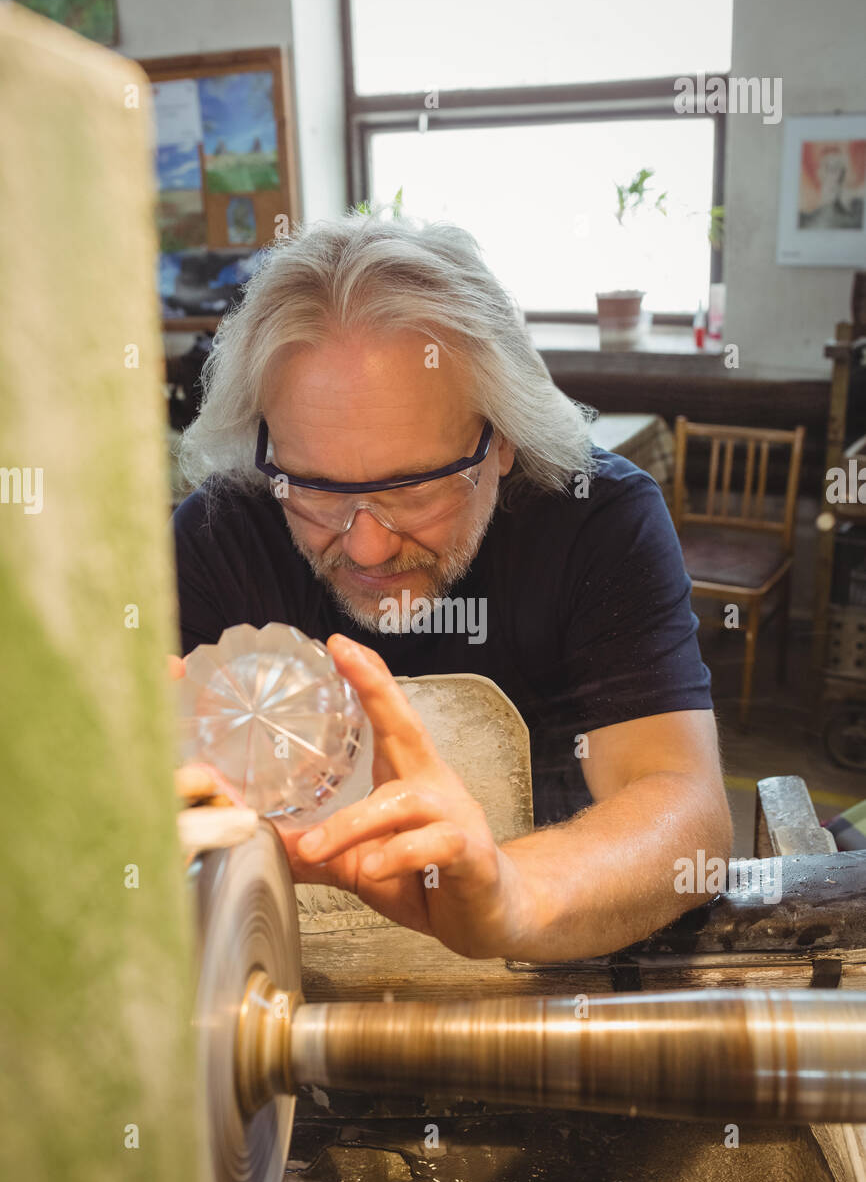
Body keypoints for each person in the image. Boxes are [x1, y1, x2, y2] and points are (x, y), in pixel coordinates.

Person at [171, 207, 731, 962]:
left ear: (499, 439)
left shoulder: (596, 521)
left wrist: (509, 892)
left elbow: (686, 809)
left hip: (557, 963)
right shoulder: (221, 534)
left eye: (414, 489)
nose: (366, 542)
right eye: (316, 488)